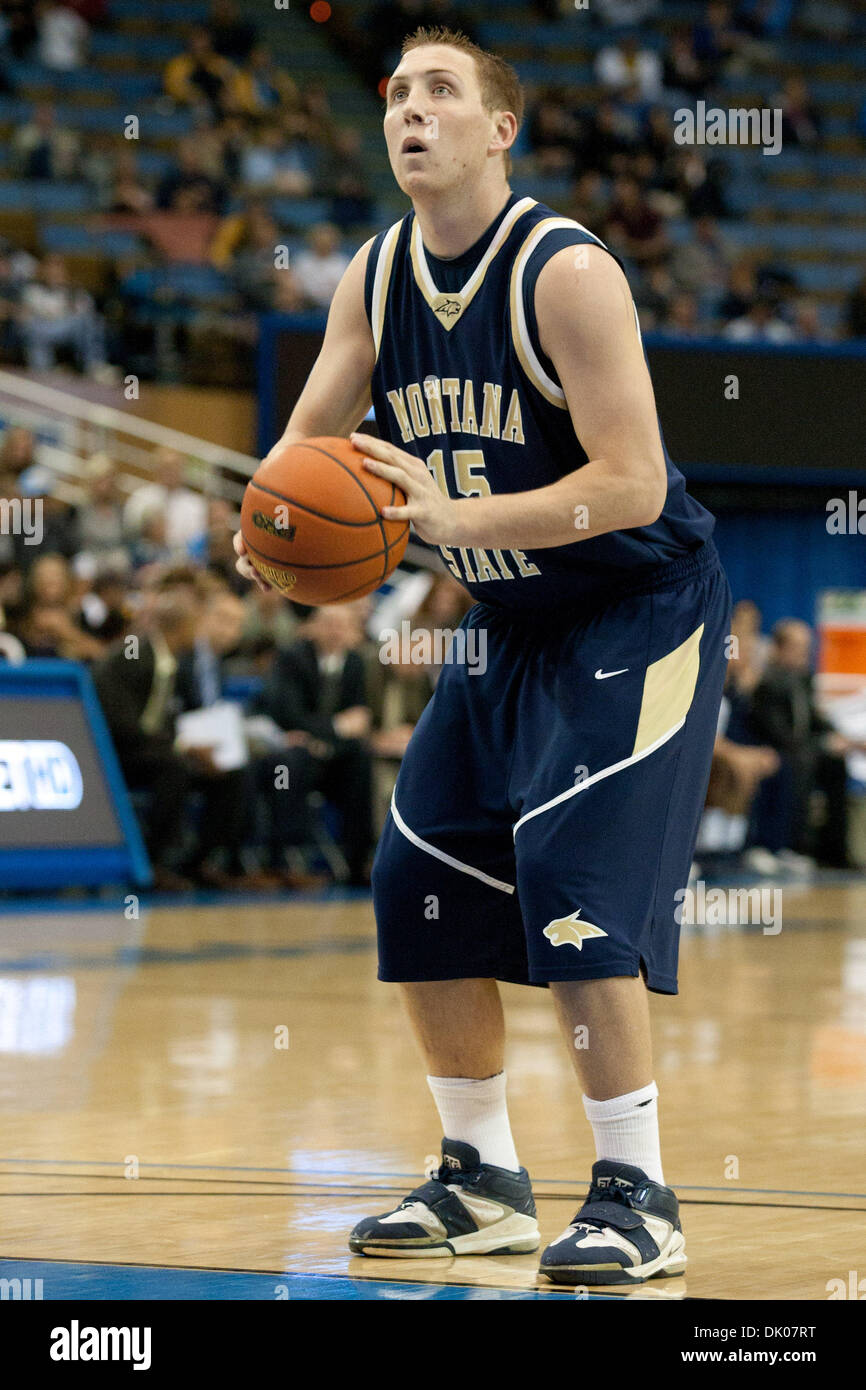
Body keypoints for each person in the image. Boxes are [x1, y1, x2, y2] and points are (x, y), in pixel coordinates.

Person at [234, 26, 731, 1286]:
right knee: (421, 875)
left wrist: (447, 525)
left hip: (639, 607)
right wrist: (279, 536)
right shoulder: (373, 278)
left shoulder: (563, 274)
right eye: (397, 93)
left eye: (439, 92)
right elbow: (303, 460)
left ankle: (638, 1193)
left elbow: (627, 481)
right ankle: (480, 1181)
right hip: (508, 618)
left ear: (496, 130)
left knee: (567, 874)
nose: (408, 110)